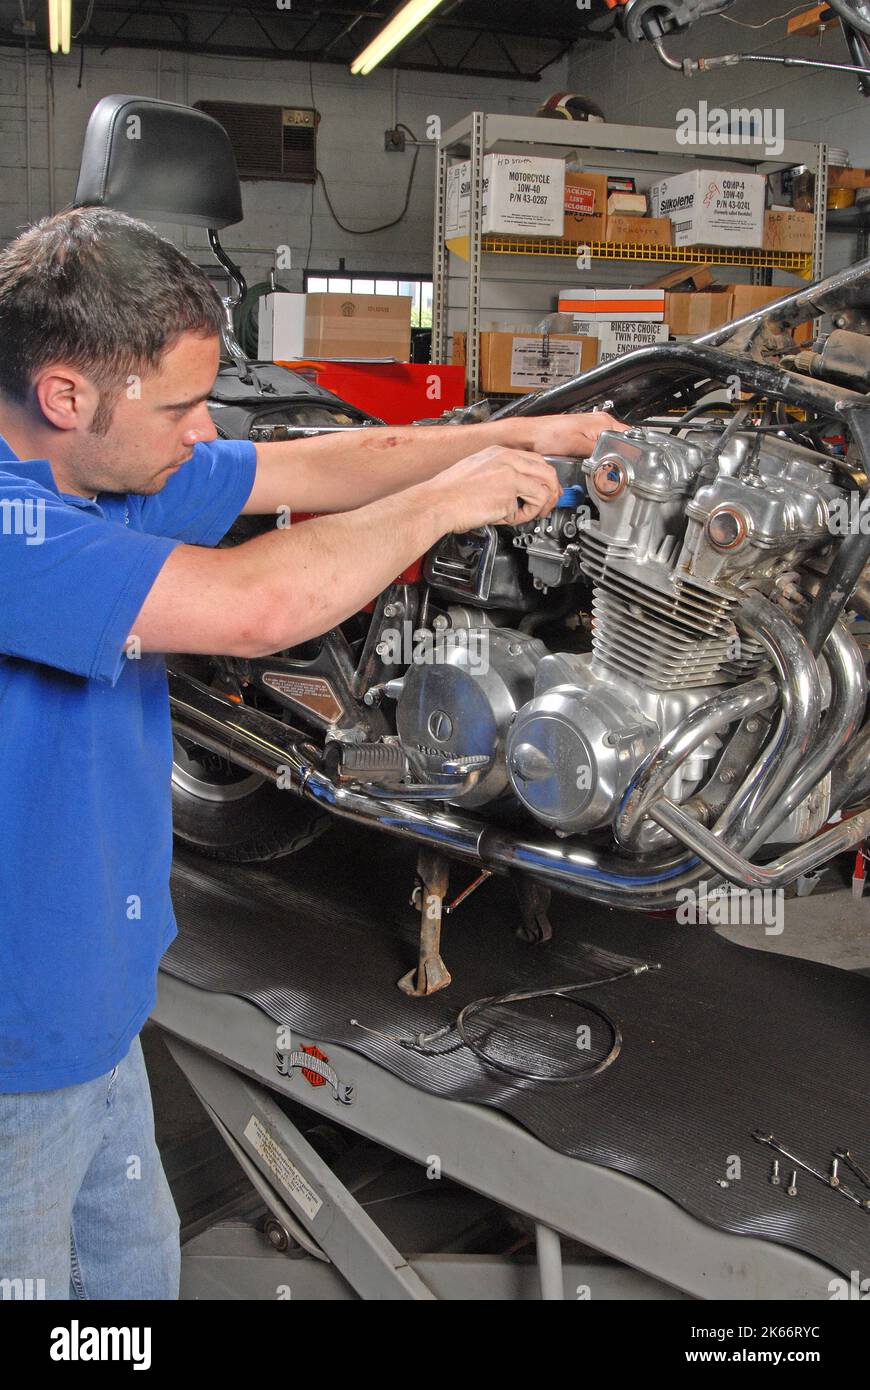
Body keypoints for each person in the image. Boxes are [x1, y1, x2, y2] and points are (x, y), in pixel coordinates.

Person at [0, 206, 622, 1300]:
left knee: (132, 1285)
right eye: (186, 405)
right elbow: (256, 607)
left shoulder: (104, 463)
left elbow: (324, 464)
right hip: (14, 1064)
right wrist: (446, 503)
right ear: (65, 395)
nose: (204, 431)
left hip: (95, 1021)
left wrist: (522, 439)